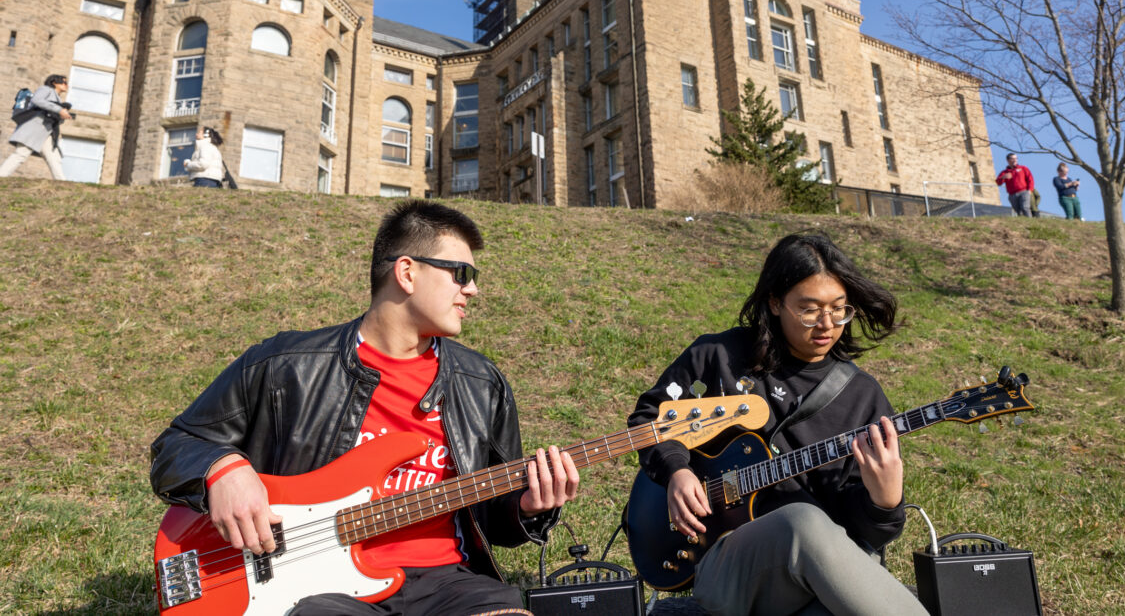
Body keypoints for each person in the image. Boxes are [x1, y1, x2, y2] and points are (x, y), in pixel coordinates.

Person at [150, 200, 580, 616]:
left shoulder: (481, 384)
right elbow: (178, 444)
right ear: (407, 272)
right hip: (317, 588)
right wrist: (222, 471)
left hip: (451, 582)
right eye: (461, 273)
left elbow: (495, 523)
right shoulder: (284, 365)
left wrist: (526, 506)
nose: (472, 288)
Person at [628, 232, 928, 616]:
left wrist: (884, 502)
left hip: (814, 575)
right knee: (803, 522)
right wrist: (676, 472)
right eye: (809, 309)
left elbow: (866, 538)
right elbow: (650, 417)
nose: (827, 324)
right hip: (726, 562)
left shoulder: (863, 397)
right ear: (774, 302)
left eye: (839, 309)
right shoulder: (719, 356)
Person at [0, 74, 72, 180]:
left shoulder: (58, 98)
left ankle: (63, 184)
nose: (66, 85)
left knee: (54, 158)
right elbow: (37, 100)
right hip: (33, 129)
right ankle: (1, 175)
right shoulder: (46, 89)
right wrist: (59, 110)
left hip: (46, 132)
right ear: (54, 82)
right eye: (64, 82)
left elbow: (52, 115)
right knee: (21, 154)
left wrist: (62, 115)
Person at [996, 153, 1035, 217]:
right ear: (1008, 160)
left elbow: (1030, 179)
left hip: (1024, 192)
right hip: (1012, 195)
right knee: (1018, 211)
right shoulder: (1005, 172)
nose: (1015, 160)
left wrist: (1030, 190)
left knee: (1025, 207)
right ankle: (1023, 224)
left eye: (1016, 158)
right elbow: (998, 182)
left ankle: (1030, 222)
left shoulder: (1023, 168)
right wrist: (1003, 177)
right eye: (1012, 159)